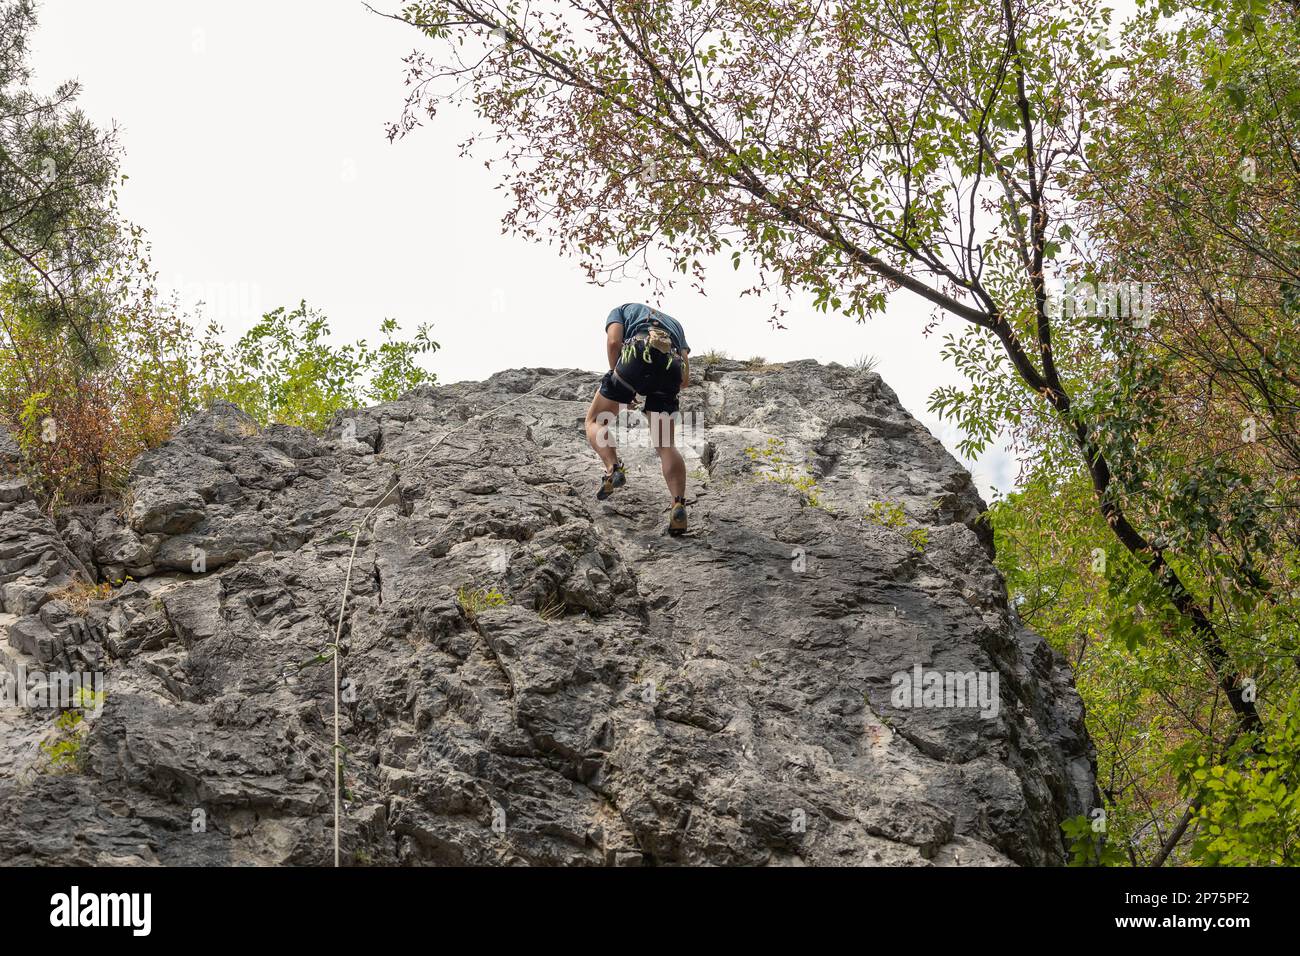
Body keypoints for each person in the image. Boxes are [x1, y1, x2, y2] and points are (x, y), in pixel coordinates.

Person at [584, 303, 691, 535]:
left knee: (595, 421)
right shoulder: (675, 325)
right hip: (670, 367)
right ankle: (678, 504)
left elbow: (614, 343)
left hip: (635, 358)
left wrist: (620, 380)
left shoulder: (622, 310)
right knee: (665, 445)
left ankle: (613, 469)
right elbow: (684, 379)